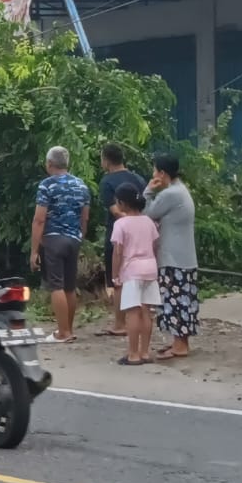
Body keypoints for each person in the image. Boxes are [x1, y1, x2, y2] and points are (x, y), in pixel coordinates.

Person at [31, 146, 90, 344]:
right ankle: (69, 329)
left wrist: (34, 250)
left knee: (56, 285)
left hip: (54, 239)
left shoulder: (46, 186)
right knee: (70, 286)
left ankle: (62, 332)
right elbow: (85, 217)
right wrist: (80, 236)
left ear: (49, 164)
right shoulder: (81, 185)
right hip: (74, 239)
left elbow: (39, 220)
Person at [145, 153, 199, 360]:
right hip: (183, 256)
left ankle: (180, 346)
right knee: (181, 301)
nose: (153, 174)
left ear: (162, 173)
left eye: (155, 170)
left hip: (173, 257)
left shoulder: (171, 194)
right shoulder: (180, 190)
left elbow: (147, 213)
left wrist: (149, 190)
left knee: (175, 301)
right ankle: (179, 342)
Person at [97, 144, 145, 337]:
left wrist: (129, 225)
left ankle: (120, 323)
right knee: (138, 278)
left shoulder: (107, 182)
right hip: (141, 235)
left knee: (117, 280)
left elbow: (116, 212)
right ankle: (140, 320)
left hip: (117, 236)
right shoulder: (139, 179)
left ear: (106, 160)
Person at [109, 183, 161, 366]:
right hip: (150, 268)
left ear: (122, 203)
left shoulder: (121, 223)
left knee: (133, 312)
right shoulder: (148, 221)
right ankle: (145, 352)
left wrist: (115, 274)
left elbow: (118, 251)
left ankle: (132, 354)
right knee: (147, 311)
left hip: (132, 270)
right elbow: (155, 245)